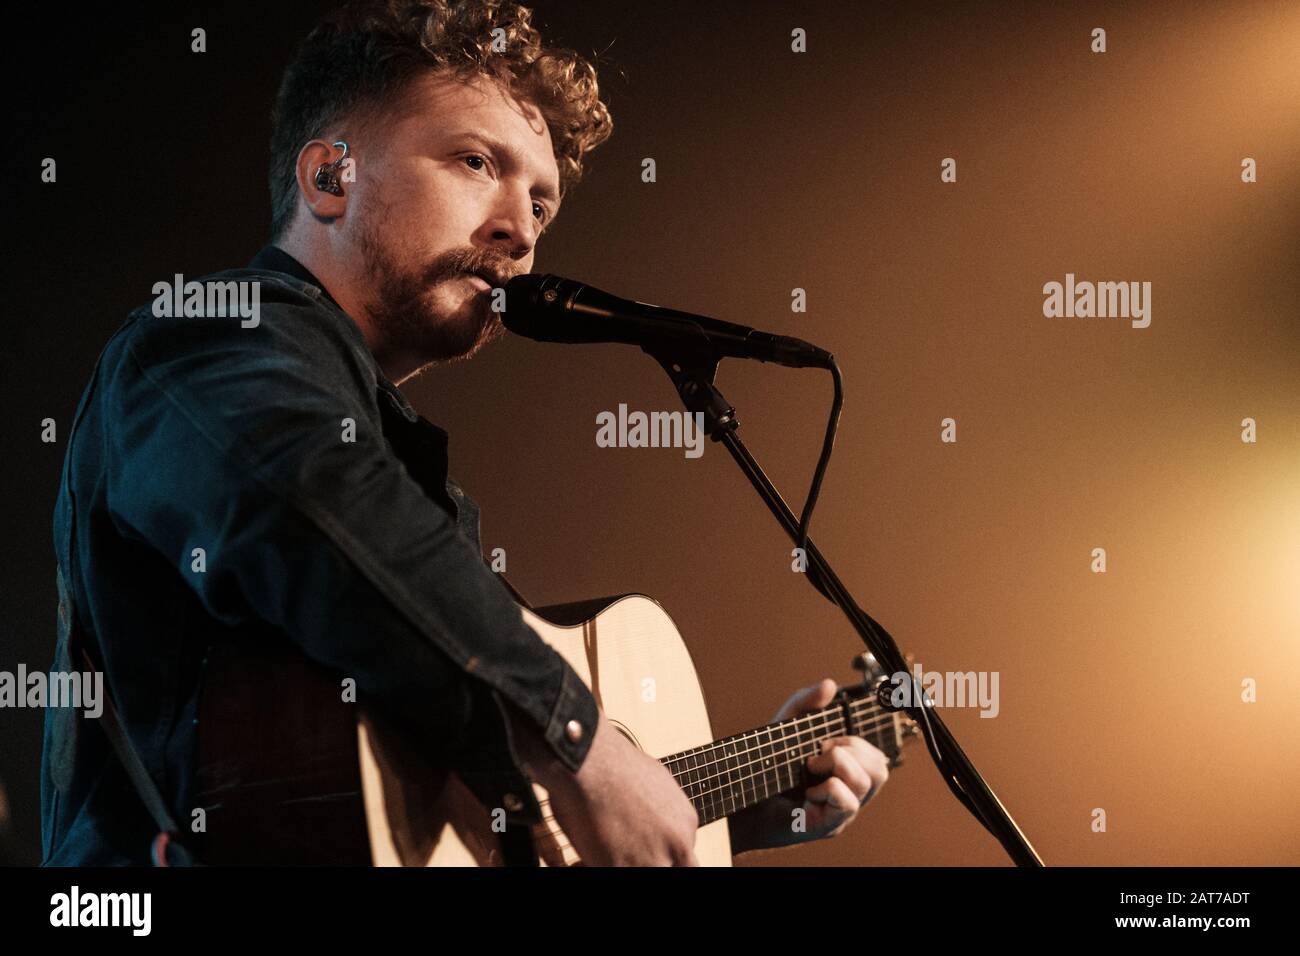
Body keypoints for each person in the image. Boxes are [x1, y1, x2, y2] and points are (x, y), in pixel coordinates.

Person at [41, 0, 888, 866]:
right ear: (329, 176)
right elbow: (313, 500)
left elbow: (452, 808)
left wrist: (724, 814)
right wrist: (576, 746)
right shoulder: (211, 333)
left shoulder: (414, 484)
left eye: (543, 207)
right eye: (477, 162)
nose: (520, 232)